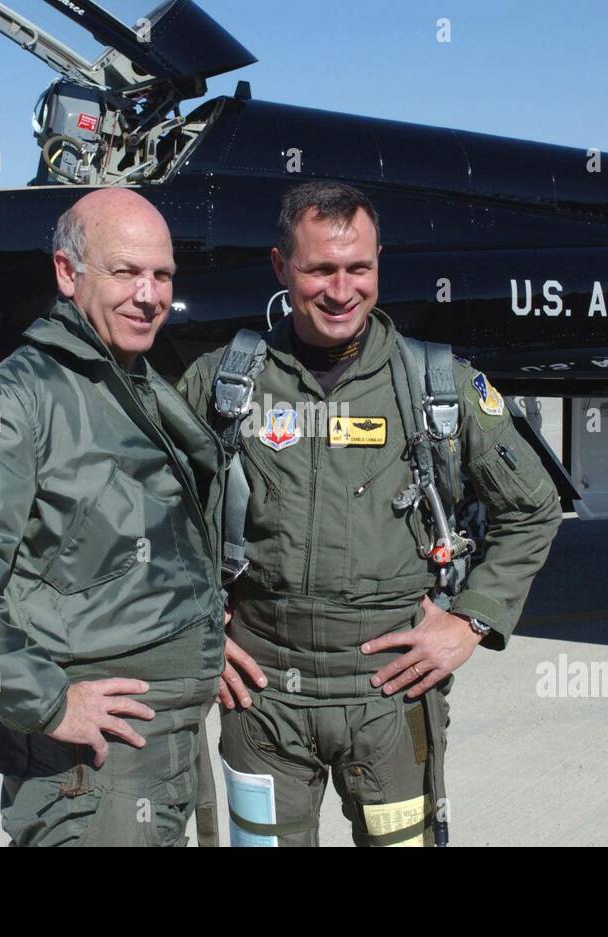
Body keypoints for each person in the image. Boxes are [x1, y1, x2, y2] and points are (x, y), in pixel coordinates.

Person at [177, 181, 562, 846]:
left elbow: (533, 507)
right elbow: (151, 521)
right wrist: (193, 631)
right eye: (319, 269)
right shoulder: (222, 383)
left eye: (359, 268)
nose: (341, 288)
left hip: (390, 694)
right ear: (280, 267)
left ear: (379, 261)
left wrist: (473, 619)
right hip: (261, 695)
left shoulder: (439, 385)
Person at [0, 188, 226, 847]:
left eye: (162, 275)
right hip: (94, 771)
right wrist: (48, 700)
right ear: (68, 274)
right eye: (125, 272)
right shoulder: (16, 403)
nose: (149, 294)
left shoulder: (131, 384)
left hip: (157, 751)